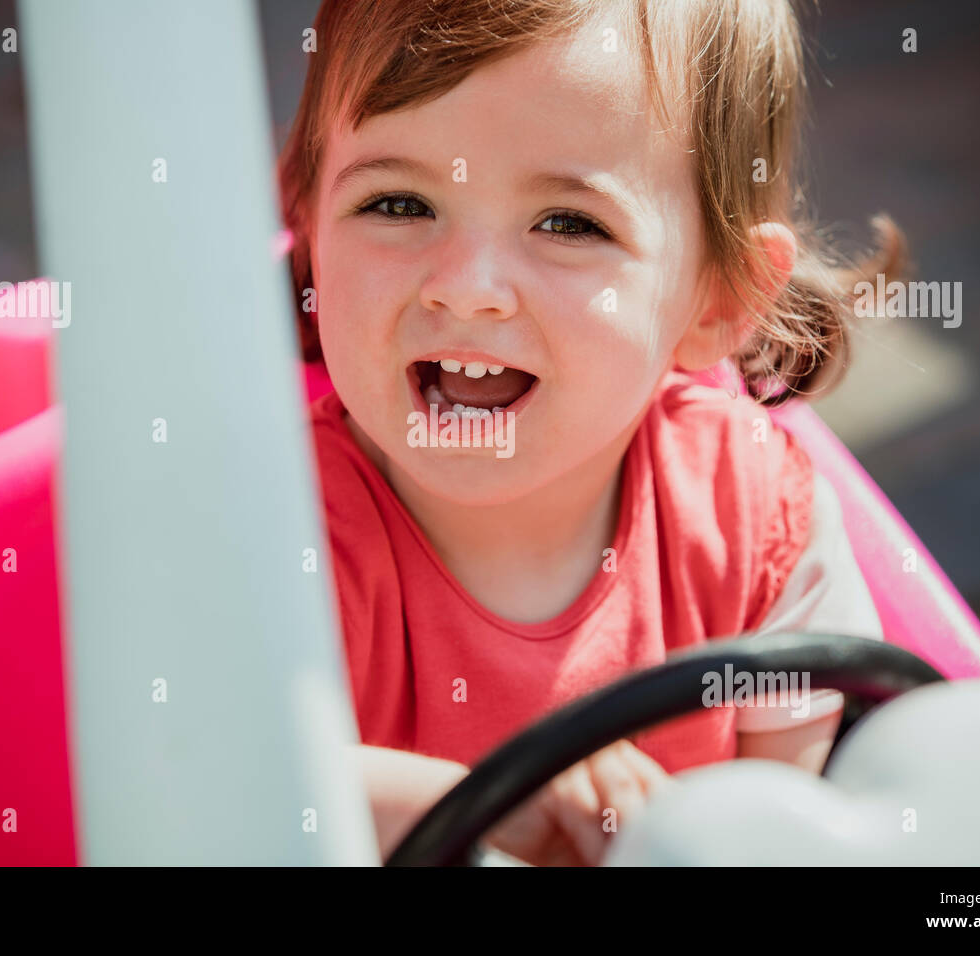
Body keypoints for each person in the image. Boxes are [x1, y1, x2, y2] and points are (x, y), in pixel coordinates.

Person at [278, 0, 899, 865]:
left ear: (718, 299)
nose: (468, 287)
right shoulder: (279, 540)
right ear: (308, 226)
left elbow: (788, 832)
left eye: (569, 224)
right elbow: (203, 790)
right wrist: (479, 809)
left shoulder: (751, 520)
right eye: (398, 202)